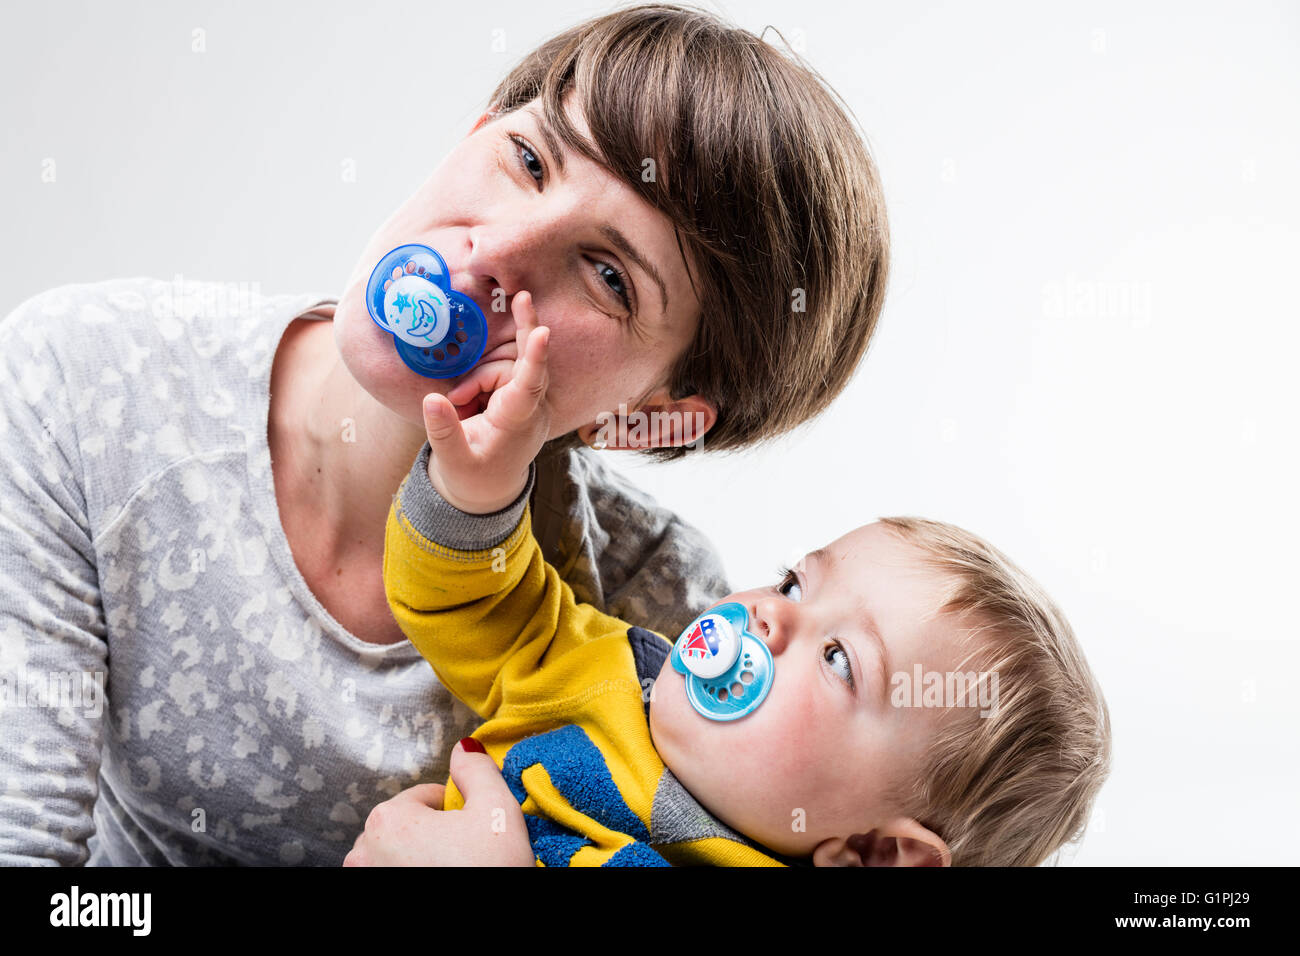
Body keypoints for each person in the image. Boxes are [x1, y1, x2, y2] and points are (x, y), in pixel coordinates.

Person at [0, 4, 888, 865]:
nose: (496, 250)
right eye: (530, 159)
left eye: (610, 275)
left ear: (643, 415)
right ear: (475, 130)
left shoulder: (660, 628)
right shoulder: (85, 383)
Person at [363, 300, 1111, 866]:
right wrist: (475, 493)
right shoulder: (605, 671)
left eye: (839, 658)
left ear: (878, 854)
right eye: (793, 585)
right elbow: (478, 603)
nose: (768, 620)